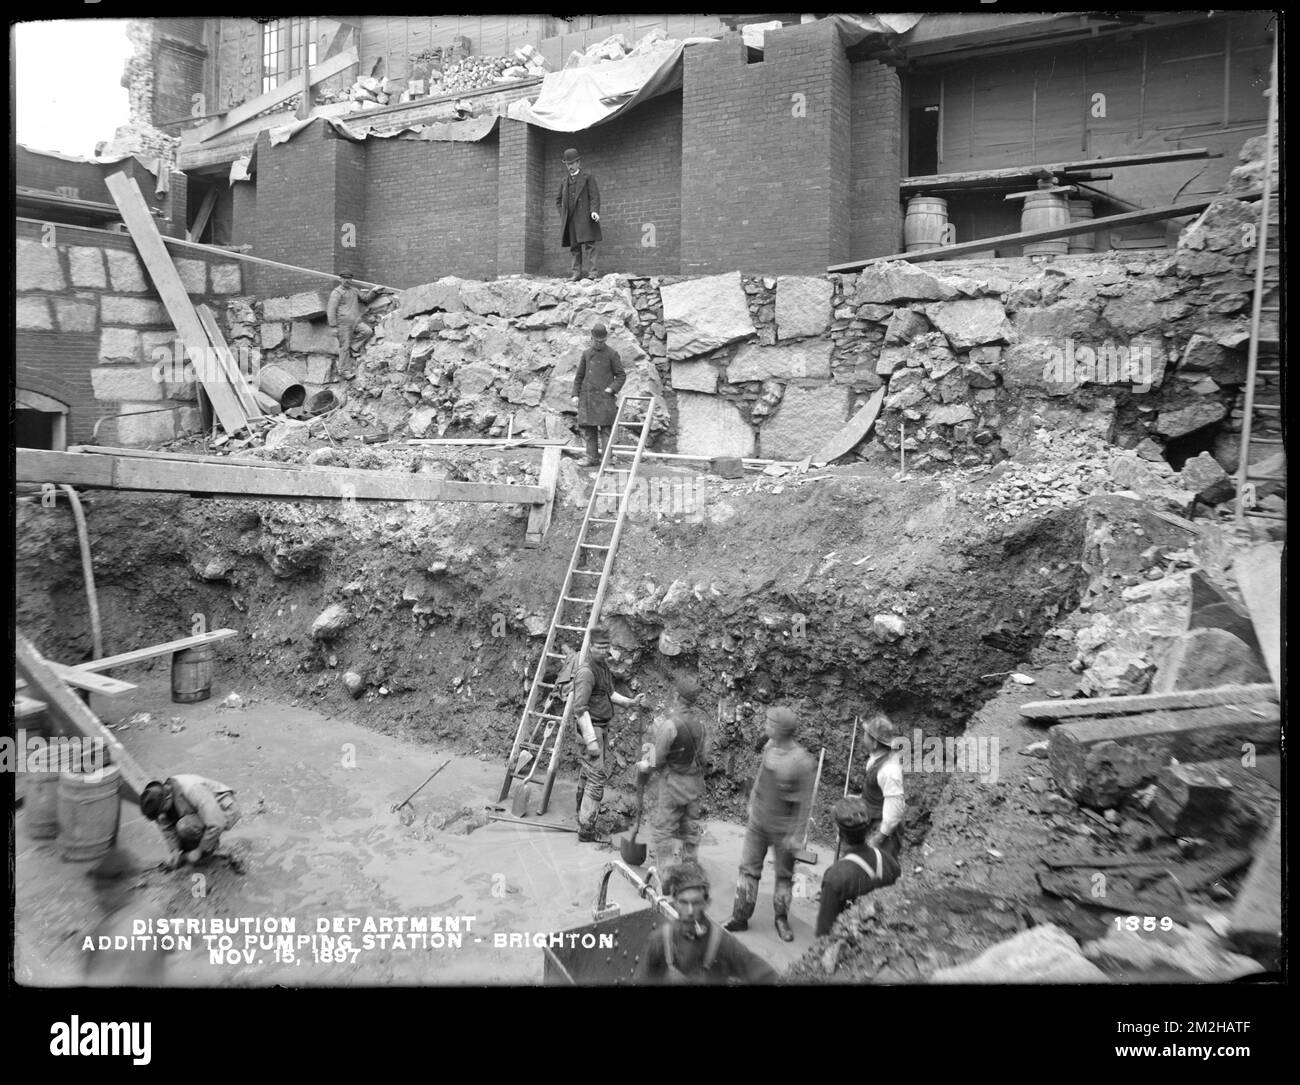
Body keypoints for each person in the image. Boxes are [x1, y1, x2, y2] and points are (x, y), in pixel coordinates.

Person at [724, 706, 816, 943]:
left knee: (784, 875)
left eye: (769, 721)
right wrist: (753, 800)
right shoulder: (769, 747)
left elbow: (805, 803)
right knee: (748, 869)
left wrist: (797, 834)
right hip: (759, 822)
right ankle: (740, 916)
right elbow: (760, 777)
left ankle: (781, 919)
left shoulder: (801, 762)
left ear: (780, 729)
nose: (765, 724)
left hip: (783, 829)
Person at [633, 862, 777, 985]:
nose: (690, 911)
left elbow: (764, 974)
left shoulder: (723, 943)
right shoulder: (659, 941)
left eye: (695, 903)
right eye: (684, 902)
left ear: (706, 903)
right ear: (675, 903)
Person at [572, 627, 643, 842]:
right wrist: (591, 739)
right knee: (596, 776)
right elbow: (580, 709)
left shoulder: (602, 667)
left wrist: (629, 702)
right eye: (599, 647)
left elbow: (609, 694)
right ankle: (586, 830)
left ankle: (581, 812)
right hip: (591, 728)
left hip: (600, 727)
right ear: (591, 646)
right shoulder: (586, 673)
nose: (604, 651)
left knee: (588, 773)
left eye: (606, 647)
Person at [638, 675, 709, 874]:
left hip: (673, 786)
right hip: (693, 785)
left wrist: (645, 765)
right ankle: (690, 872)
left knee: (664, 831)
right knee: (690, 830)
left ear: (676, 695)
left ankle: (666, 878)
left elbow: (657, 759)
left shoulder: (669, 726)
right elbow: (703, 758)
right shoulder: (700, 725)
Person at [814, 795, 901, 937]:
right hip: (881, 938)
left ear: (839, 832)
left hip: (850, 941)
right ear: (868, 829)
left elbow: (824, 932)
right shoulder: (889, 861)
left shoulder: (836, 876)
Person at [139, 775, 240, 869]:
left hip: (224, 808)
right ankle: (199, 848)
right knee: (180, 826)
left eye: (161, 812)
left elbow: (217, 823)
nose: (160, 817)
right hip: (198, 812)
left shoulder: (193, 790)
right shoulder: (162, 799)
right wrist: (174, 851)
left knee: (185, 826)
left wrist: (199, 850)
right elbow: (167, 828)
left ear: (168, 798)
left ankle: (209, 850)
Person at [570, 323, 625, 466]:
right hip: (588, 397)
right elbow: (579, 376)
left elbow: (621, 375)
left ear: (605, 339)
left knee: (606, 430)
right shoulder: (586, 354)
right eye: (596, 341)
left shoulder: (612, 354)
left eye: (602, 341)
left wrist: (612, 389)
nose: (599, 344)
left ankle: (607, 460)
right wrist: (575, 394)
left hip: (605, 399)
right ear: (591, 338)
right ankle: (591, 458)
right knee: (589, 430)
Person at [859, 713, 905, 866]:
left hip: (883, 834)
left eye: (866, 735)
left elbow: (895, 812)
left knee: (877, 873)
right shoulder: (876, 759)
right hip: (871, 823)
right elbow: (876, 793)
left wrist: (877, 838)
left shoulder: (889, 770)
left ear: (875, 743)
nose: (862, 737)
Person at [326, 269, 385, 380]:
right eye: (345, 279)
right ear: (341, 279)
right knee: (344, 347)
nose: (347, 281)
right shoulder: (336, 292)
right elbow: (331, 309)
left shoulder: (354, 290)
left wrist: (375, 291)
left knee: (367, 331)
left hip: (355, 322)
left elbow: (365, 299)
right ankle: (344, 371)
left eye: (349, 279)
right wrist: (333, 326)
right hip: (343, 324)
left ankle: (354, 347)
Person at [555, 147, 601, 281]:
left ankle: (593, 273)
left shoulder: (588, 177)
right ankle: (576, 274)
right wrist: (563, 214)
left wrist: (594, 211)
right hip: (571, 220)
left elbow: (595, 196)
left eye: (572, 163)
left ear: (578, 163)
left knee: (589, 246)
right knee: (574, 248)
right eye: (567, 164)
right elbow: (558, 200)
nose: (570, 166)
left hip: (585, 218)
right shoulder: (564, 181)